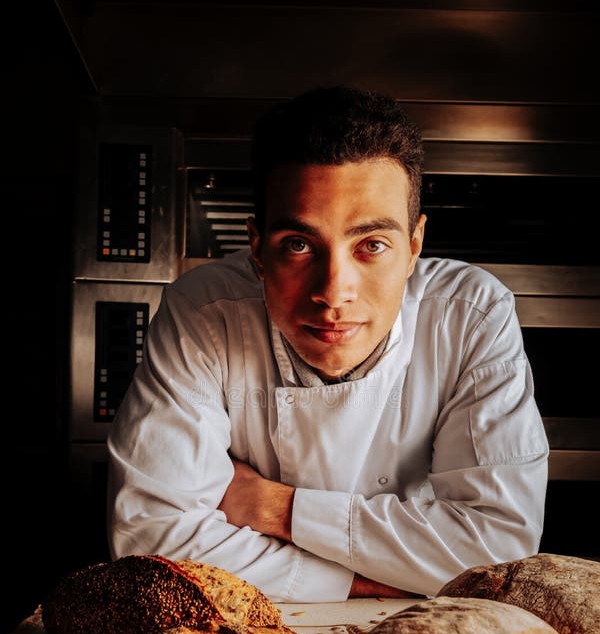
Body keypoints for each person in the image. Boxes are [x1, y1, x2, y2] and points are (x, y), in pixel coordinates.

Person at [107, 85, 549, 602]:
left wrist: (275, 507)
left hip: (425, 629)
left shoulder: (471, 316)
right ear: (257, 249)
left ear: (413, 247)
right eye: (298, 245)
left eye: (372, 245)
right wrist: (369, 582)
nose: (333, 293)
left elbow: (497, 550)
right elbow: (150, 541)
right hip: (252, 629)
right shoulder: (203, 312)